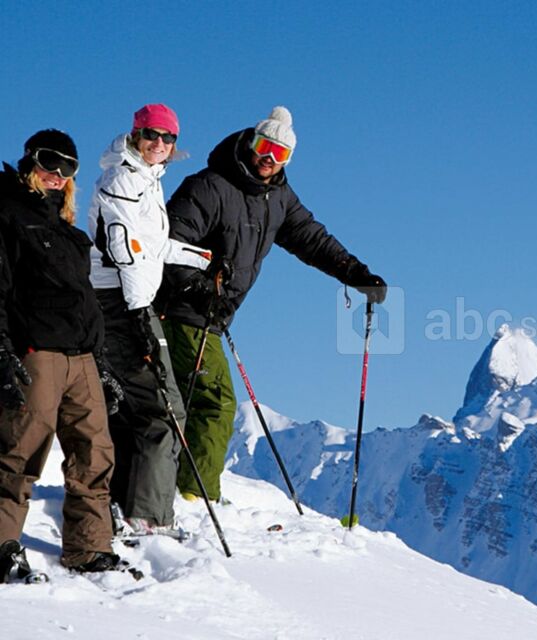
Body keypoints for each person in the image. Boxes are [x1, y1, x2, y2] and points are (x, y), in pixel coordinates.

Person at [160, 106, 386, 502]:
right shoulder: (210, 186)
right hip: (181, 309)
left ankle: (178, 489)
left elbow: (312, 239)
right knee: (215, 402)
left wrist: (355, 273)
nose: (269, 158)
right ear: (251, 142)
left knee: (191, 400)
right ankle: (194, 496)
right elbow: (172, 241)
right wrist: (197, 289)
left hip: (212, 316)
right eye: (265, 147)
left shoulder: (277, 198)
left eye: (280, 153)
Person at [0, 130, 127, 579]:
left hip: (82, 356)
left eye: (67, 168)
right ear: (29, 161)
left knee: (94, 451)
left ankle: (88, 549)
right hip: (36, 350)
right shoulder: (7, 215)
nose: (56, 175)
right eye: (49, 163)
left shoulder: (68, 233)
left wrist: (102, 362)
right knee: (20, 449)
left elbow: (84, 302)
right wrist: (2, 350)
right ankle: (1, 544)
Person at [89, 105, 212, 535]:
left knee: (137, 408)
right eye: (152, 134)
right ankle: (148, 517)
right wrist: (141, 312)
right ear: (135, 133)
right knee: (164, 408)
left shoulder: (145, 178)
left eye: (168, 137)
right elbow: (125, 248)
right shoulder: (124, 179)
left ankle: (127, 505)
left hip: (125, 301)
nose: (160, 143)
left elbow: (153, 246)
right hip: (122, 304)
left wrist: (204, 261)